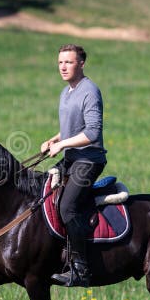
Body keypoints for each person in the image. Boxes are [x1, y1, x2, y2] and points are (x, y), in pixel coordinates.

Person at [40, 44, 107, 287]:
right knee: (42, 191)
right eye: (60, 62)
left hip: (89, 160)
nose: (63, 67)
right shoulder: (66, 92)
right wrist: (55, 139)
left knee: (68, 207)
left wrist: (62, 145)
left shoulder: (90, 91)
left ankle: (81, 269)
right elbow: (72, 125)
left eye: (68, 62)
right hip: (71, 157)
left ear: (81, 64)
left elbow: (91, 132)